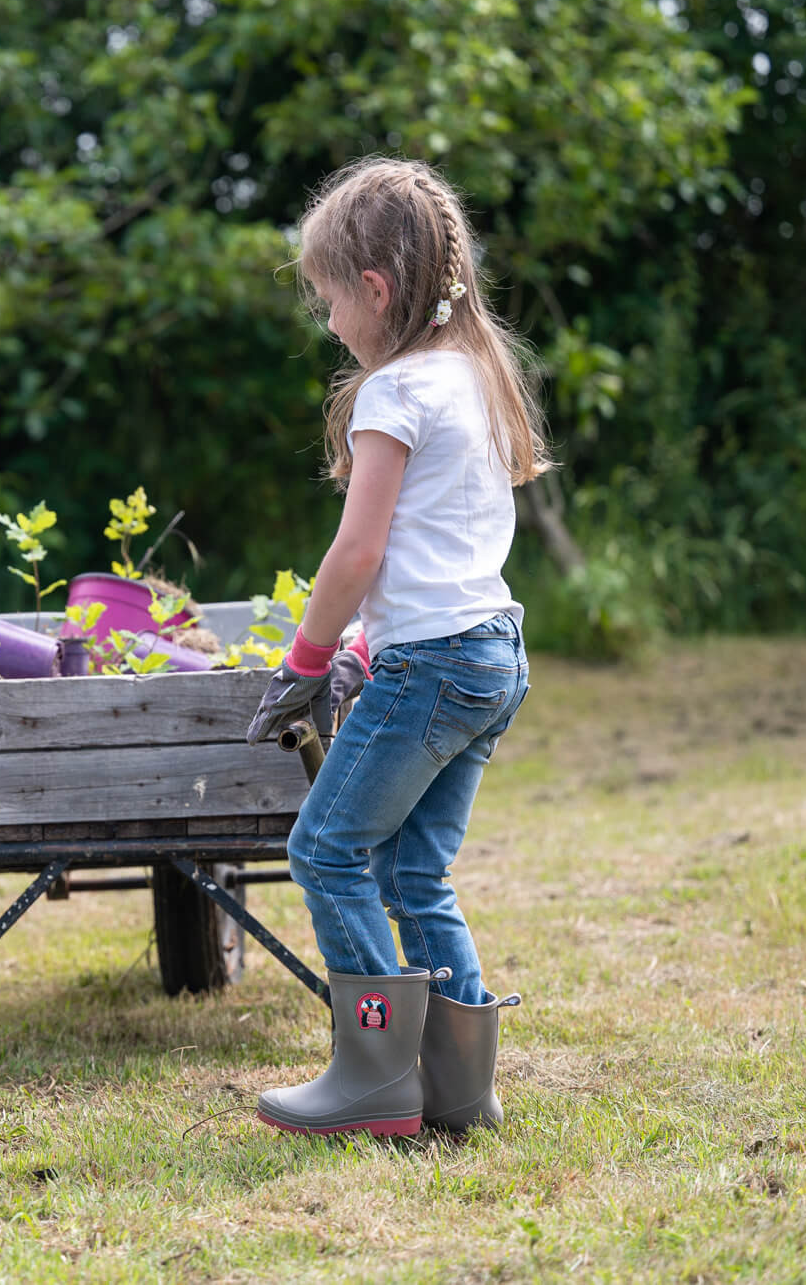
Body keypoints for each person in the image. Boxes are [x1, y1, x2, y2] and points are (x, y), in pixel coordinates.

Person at [247, 158, 545, 1139]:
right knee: (416, 872)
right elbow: (440, 544)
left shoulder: (395, 394)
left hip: (437, 664)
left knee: (327, 852)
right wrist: (375, 645)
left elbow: (359, 551)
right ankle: (459, 1091)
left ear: (374, 291)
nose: (330, 323)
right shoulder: (475, 376)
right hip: (491, 651)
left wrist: (307, 658)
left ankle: (375, 1079)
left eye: (330, 300)